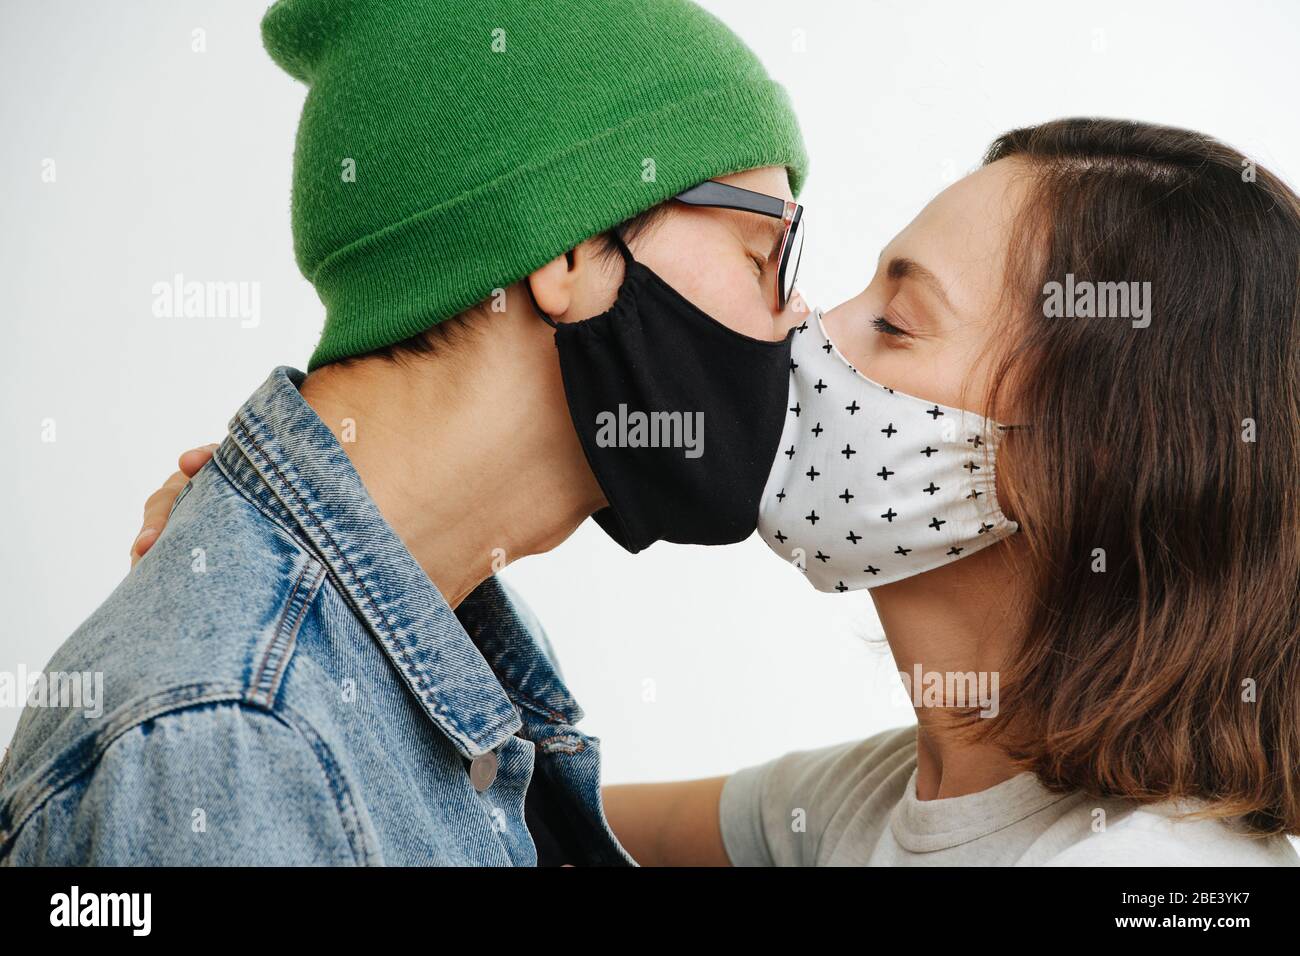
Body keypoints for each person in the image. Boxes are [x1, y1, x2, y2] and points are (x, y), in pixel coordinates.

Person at [0, 0, 810, 866]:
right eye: (765, 253)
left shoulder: (441, 646)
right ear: (568, 248)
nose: (799, 310)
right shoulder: (235, 745)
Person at [601, 119, 1300, 866]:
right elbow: (527, 817)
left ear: (1079, 461)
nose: (807, 327)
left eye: (896, 323)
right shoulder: (871, 799)